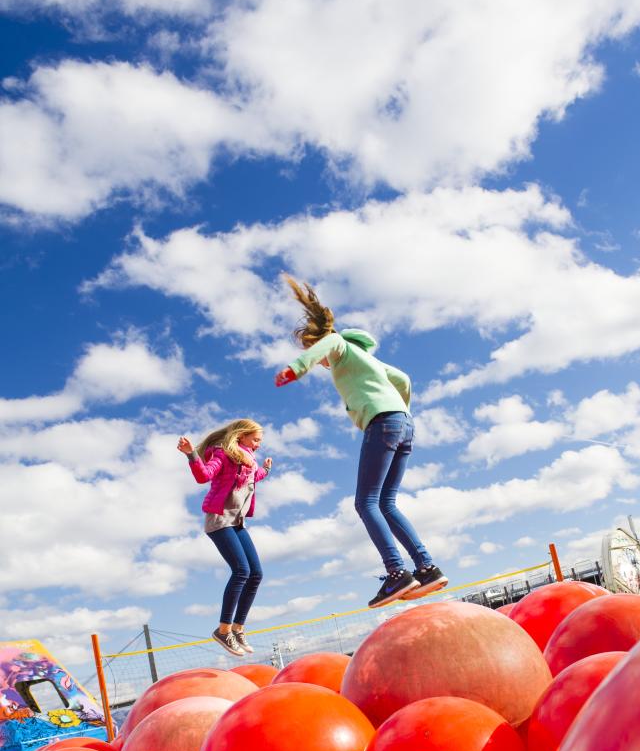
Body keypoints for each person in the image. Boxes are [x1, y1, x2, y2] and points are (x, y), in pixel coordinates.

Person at [275, 276, 447, 608]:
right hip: (403, 423)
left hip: (383, 422)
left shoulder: (338, 348)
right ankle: (427, 568)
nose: (323, 363)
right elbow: (404, 380)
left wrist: (296, 368)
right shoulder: (370, 360)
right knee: (387, 503)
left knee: (365, 502)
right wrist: (402, 409)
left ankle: (397, 573)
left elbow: (328, 344)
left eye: (316, 353)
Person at [177, 419, 272, 657]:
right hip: (219, 521)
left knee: (256, 574)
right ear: (241, 436)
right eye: (256, 439)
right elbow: (204, 476)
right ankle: (223, 630)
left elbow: (252, 477)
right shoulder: (223, 454)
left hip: (237, 522)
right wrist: (191, 456)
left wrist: (266, 471)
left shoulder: (249, 459)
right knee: (241, 571)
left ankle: (238, 629)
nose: (259, 444)